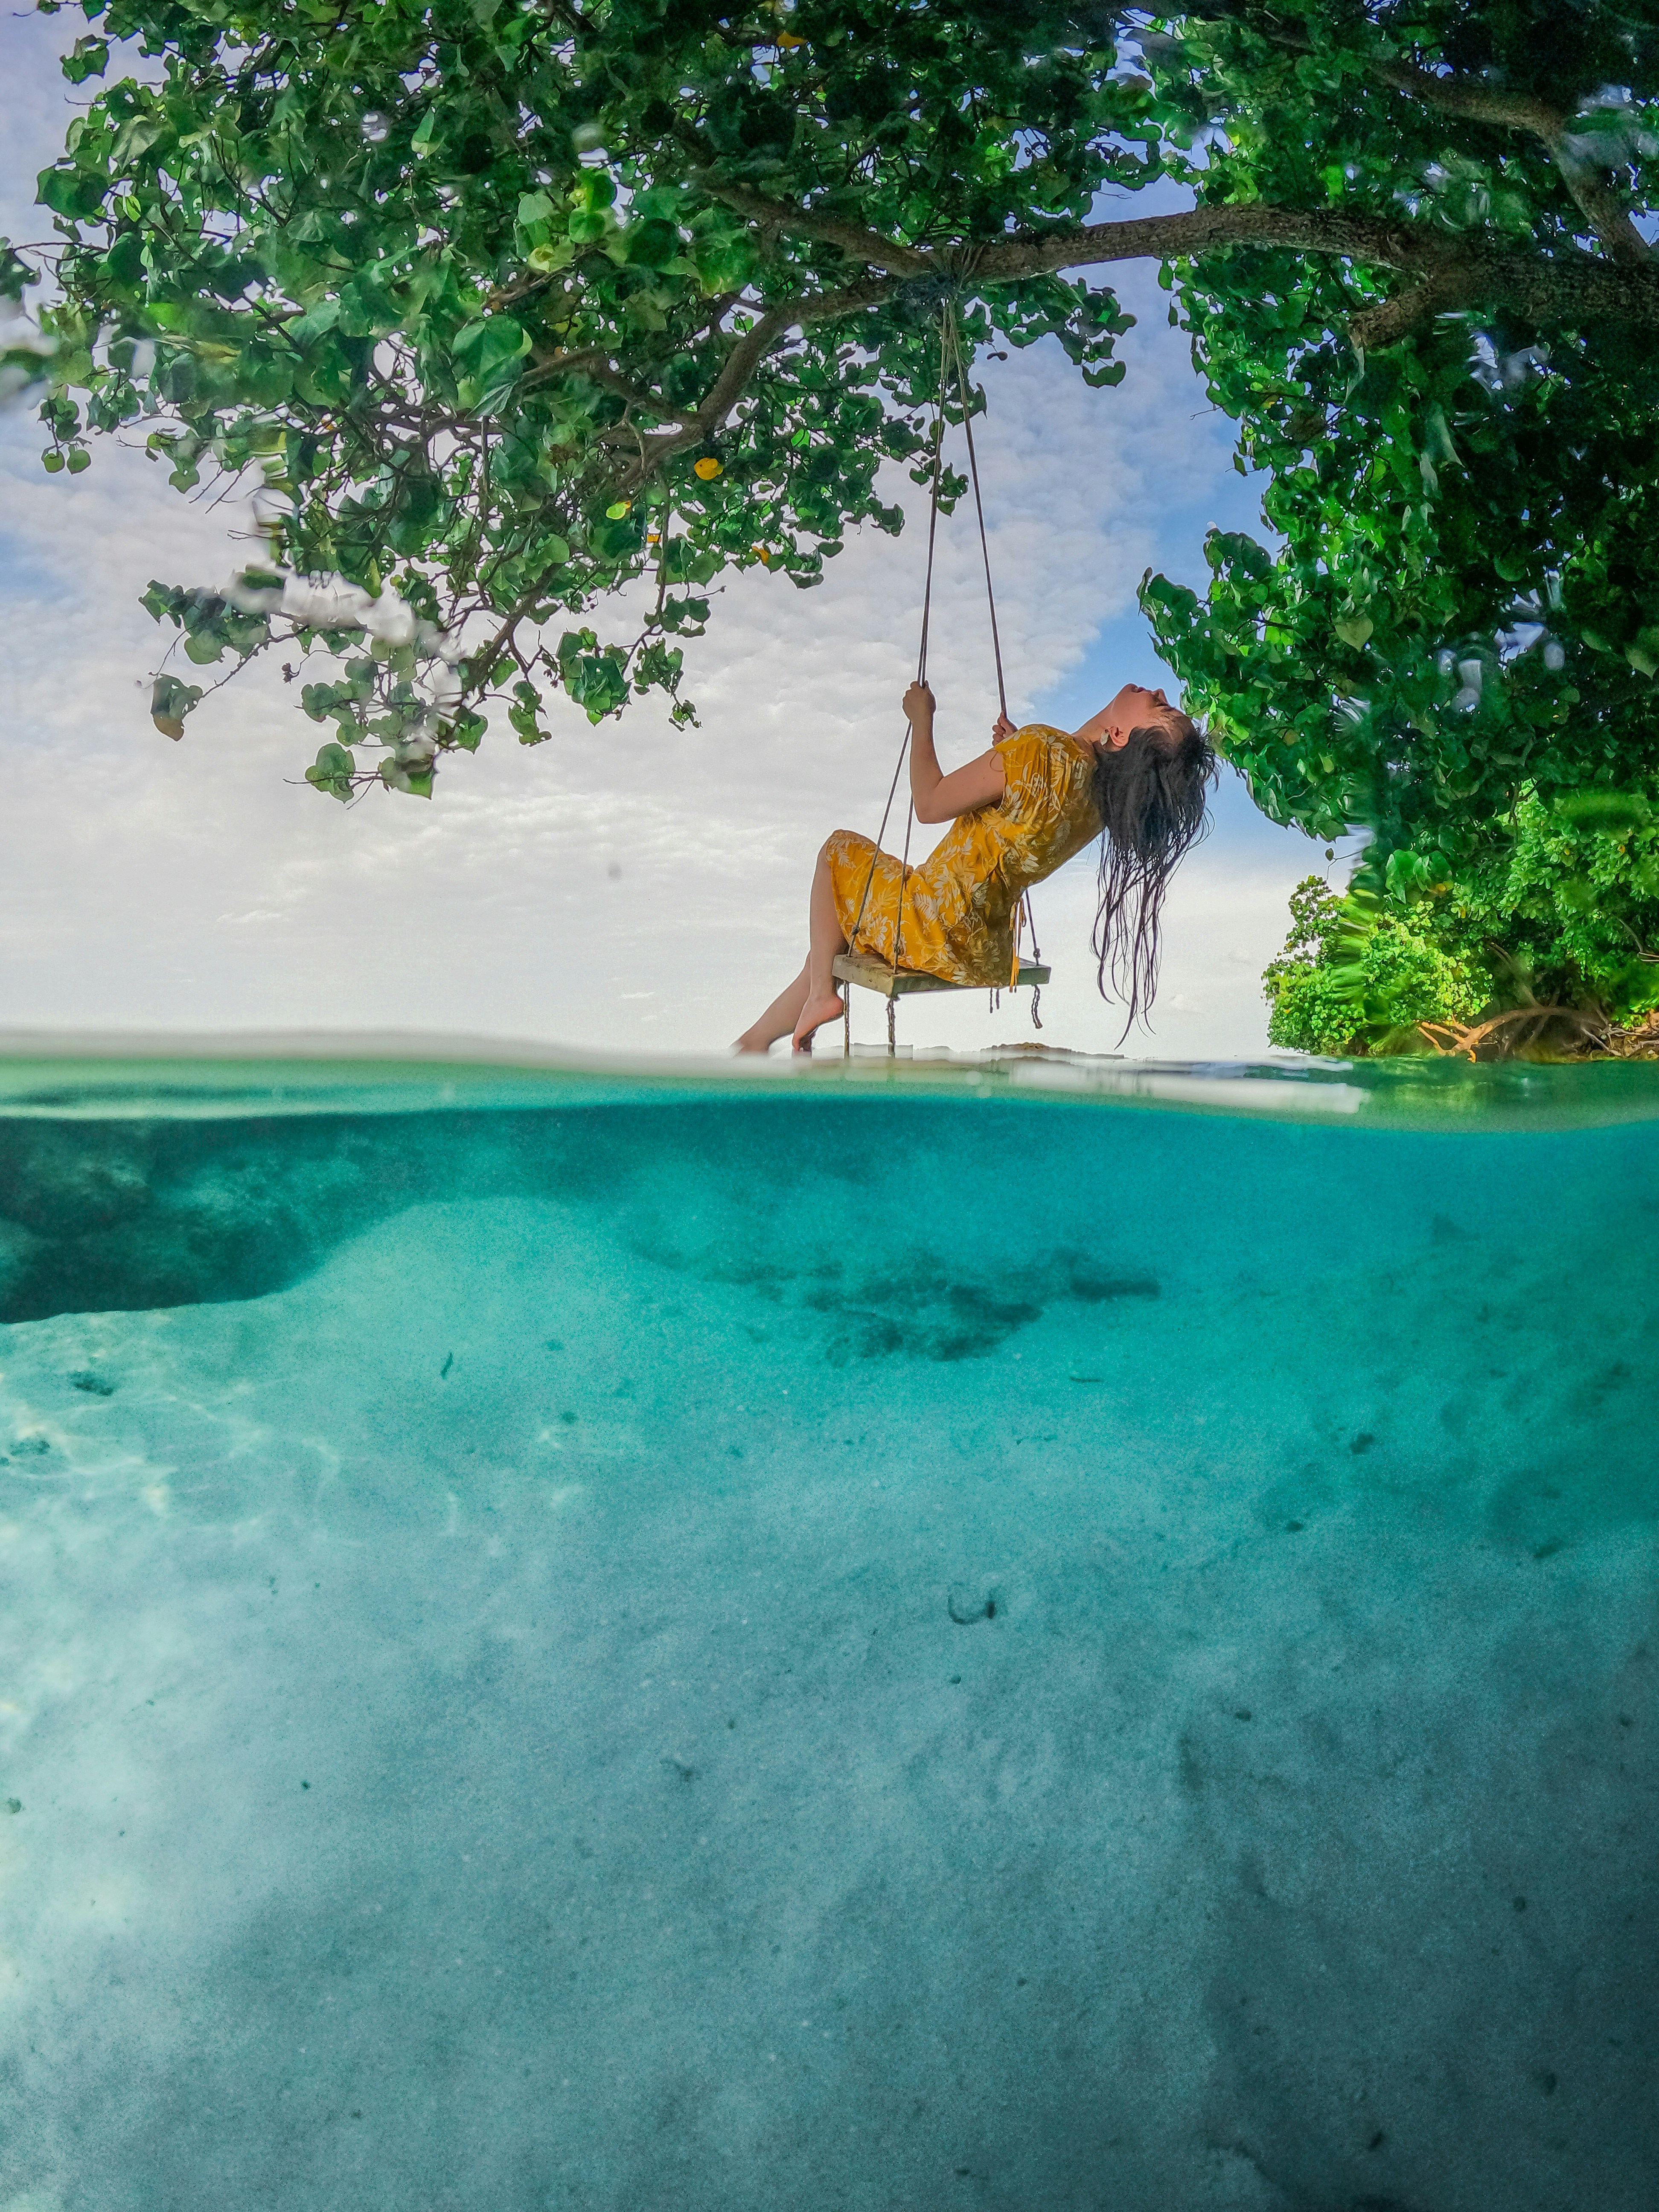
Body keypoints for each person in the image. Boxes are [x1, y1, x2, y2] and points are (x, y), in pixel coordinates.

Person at [735, 681, 1217, 1054]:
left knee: (836, 850)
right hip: (985, 950)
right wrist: (1013, 750)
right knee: (828, 946)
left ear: (1119, 734)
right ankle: (755, 1043)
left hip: (929, 922)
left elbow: (928, 803)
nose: (1159, 692)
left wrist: (922, 719)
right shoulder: (1101, 802)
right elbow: (1037, 807)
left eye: (1161, 708)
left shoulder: (1038, 752)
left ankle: (821, 994)